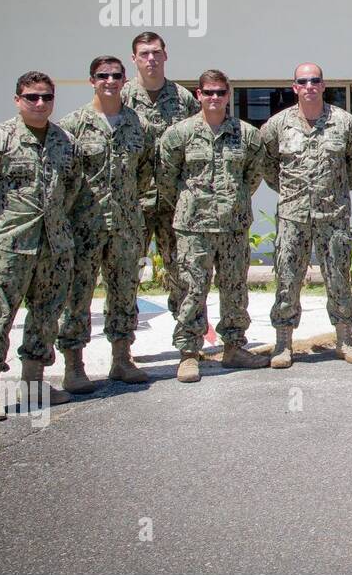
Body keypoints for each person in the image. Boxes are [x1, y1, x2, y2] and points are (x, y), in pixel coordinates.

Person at [0, 71, 82, 421]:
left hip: (53, 246)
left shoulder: (65, 142)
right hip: (9, 247)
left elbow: (71, 186)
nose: (39, 103)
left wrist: (55, 221)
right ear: (17, 100)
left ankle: (34, 384)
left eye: (45, 97)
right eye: (31, 97)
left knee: (45, 317)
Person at [157, 69, 270, 383]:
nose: (215, 98)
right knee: (192, 291)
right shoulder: (179, 135)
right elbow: (167, 180)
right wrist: (190, 203)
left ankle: (234, 347)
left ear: (228, 95)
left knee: (235, 290)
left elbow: (253, 176)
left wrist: (232, 201)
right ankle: (189, 354)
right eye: (209, 92)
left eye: (220, 92)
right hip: (193, 228)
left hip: (233, 227)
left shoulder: (246, 135)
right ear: (199, 95)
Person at [55, 55, 154, 393]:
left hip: (127, 225)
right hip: (85, 225)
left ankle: (122, 358)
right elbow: (62, 179)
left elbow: (144, 173)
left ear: (125, 79)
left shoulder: (136, 124)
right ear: (92, 80)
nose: (110, 81)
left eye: (115, 75)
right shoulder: (73, 125)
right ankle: (74, 364)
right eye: (102, 75)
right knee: (78, 295)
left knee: (124, 293)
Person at [262, 62, 352, 368]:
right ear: (294, 87)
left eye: (315, 80)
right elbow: (269, 168)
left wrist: (333, 191)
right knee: (287, 278)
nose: (309, 86)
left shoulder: (345, 123)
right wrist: (292, 194)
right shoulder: (277, 125)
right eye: (303, 81)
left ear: (323, 86)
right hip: (292, 217)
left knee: (339, 277)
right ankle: (284, 344)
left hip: (332, 215)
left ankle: (345, 339)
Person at [121, 31, 200, 318]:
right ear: (134, 59)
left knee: (183, 274)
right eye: (144, 54)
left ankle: (187, 347)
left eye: (156, 52)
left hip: (175, 203)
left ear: (165, 55)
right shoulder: (121, 97)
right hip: (133, 203)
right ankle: (122, 351)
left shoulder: (183, 99)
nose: (151, 59)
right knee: (125, 276)